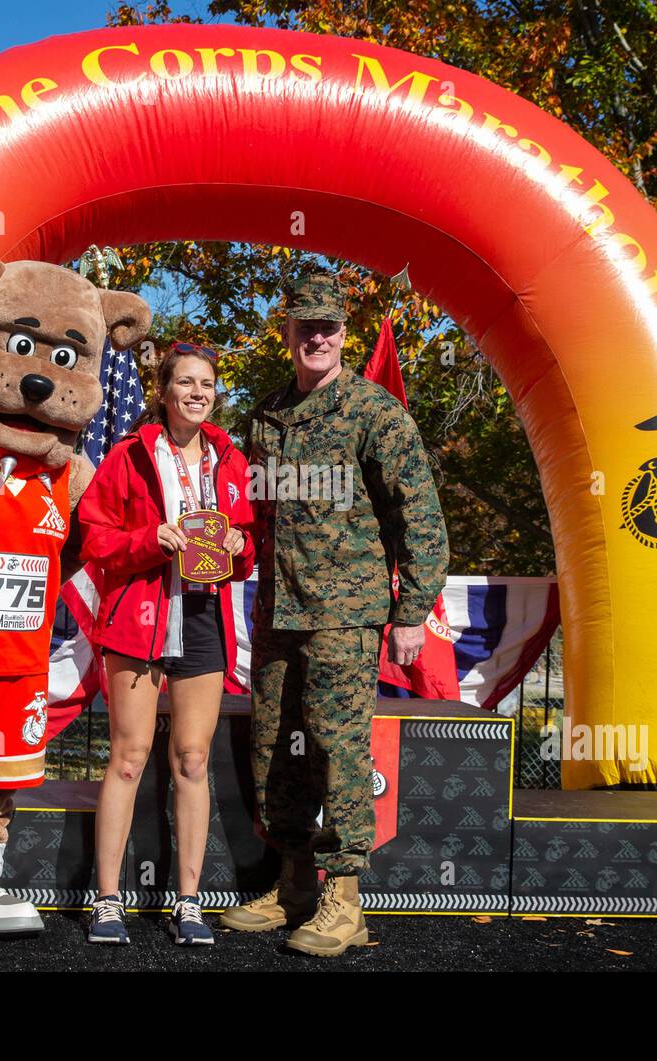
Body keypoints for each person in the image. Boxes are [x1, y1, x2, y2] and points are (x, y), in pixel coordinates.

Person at [221, 270, 449, 957]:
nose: (316, 336)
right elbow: (248, 509)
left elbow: (421, 517)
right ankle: (291, 881)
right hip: (278, 612)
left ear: (343, 335)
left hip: (345, 614)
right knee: (275, 747)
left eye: (328, 326)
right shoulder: (263, 416)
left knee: (337, 747)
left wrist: (411, 609)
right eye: (304, 325)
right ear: (287, 332)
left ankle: (344, 897)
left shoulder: (375, 413)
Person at [75, 341, 256, 946]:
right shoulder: (130, 455)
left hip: (204, 619)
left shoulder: (230, 458)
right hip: (140, 619)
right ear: (165, 390)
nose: (197, 393)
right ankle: (106, 901)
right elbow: (95, 540)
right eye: (185, 382)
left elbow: (249, 541)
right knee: (128, 758)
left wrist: (238, 550)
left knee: (193, 760)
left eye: (206, 383)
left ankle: (189, 901)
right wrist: (154, 539)